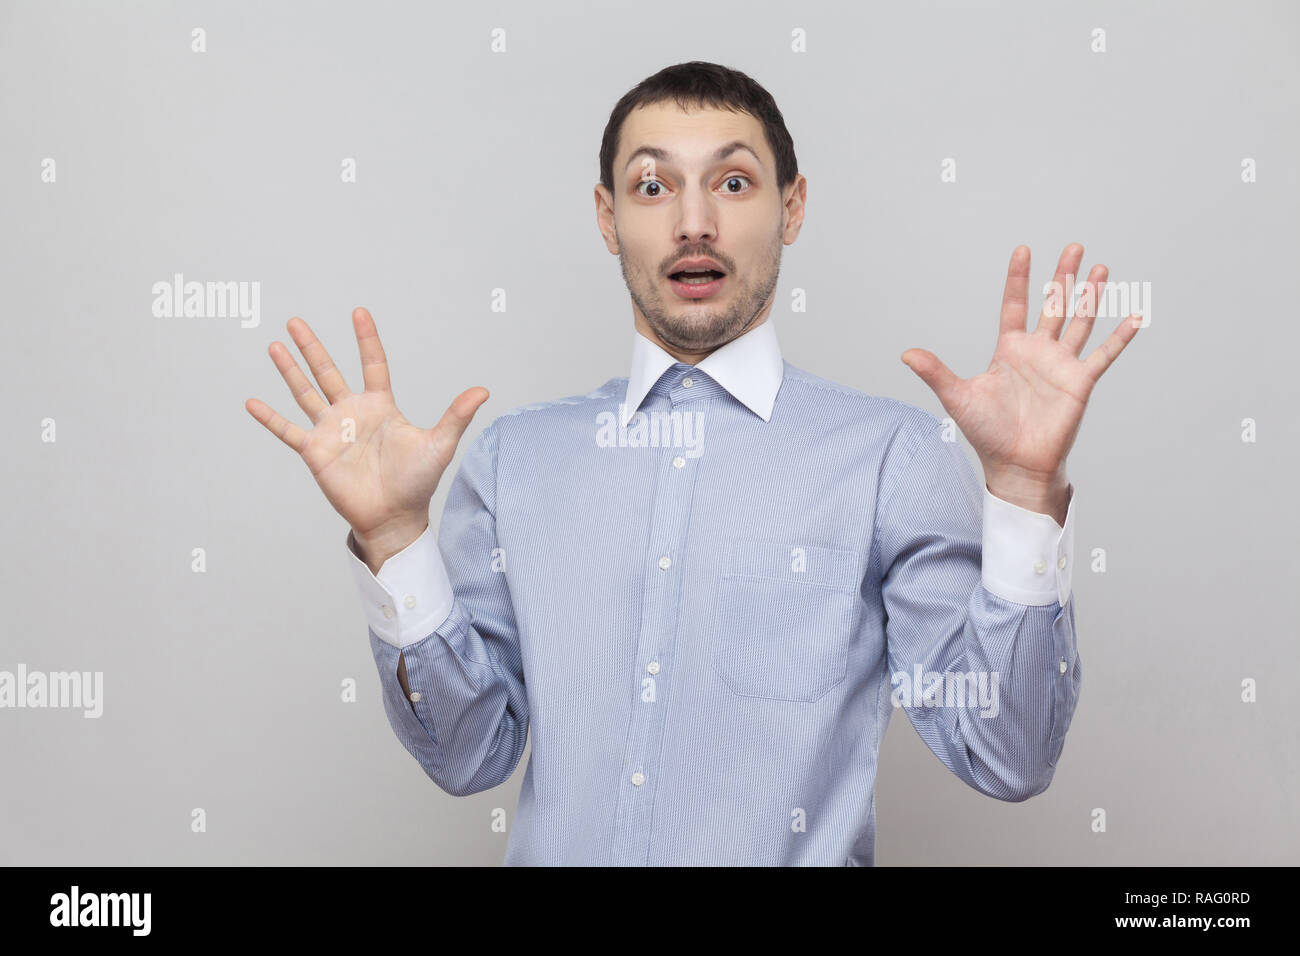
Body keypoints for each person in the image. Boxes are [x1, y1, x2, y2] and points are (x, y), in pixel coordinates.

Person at [245, 61, 1139, 865]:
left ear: (791, 206)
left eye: (735, 182)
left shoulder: (889, 459)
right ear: (608, 217)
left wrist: (1021, 492)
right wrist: (396, 538)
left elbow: (1009, 754)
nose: (694, 222)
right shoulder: (515, 460)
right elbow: (466, 754)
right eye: (652, 186)